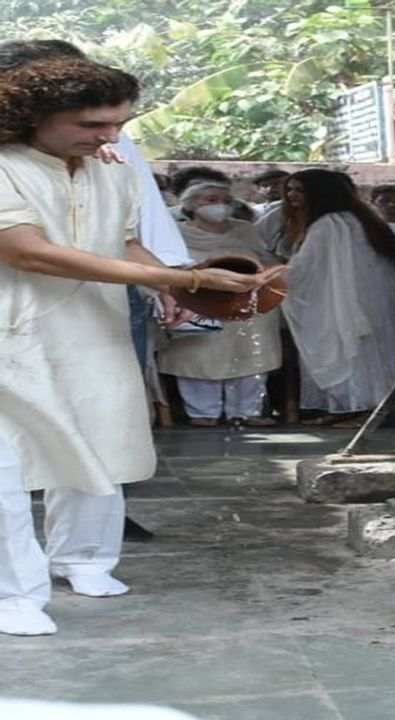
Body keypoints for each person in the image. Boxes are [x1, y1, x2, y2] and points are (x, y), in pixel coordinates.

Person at [0, 57, 266, 635]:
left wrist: (170, 281)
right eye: (92, 125)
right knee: (5, 464)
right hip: (10, 330)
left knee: (102, 439)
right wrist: (177, 280)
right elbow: (25, 250)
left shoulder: (112, 167)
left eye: (118, 123)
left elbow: (122, 240)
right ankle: (11, 593)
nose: (111, 137)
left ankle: (84, 558)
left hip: (94, 326)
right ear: (35, 118)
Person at [280, 169, 395, 427]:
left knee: (353, 354)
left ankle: (361, 409)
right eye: (290, 190)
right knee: (362, 354)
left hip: (347, 302)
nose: (292, 196)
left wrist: (269, 277)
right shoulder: (355, 219)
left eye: (300, 190)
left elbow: (304, 268)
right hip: (362, 300)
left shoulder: (330, 224)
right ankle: (348, 408)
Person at [155, 181, 283, 427]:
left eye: (225, 200)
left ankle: (248, 411)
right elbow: (167, 265)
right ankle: (203, 413)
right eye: (211, 200)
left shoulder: (245, 230)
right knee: (198, 358)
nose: (220, 205)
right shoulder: (175, 232)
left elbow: (267, 259)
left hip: (248, 302)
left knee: (250, 356)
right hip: (198, 300)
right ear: (191, 205)